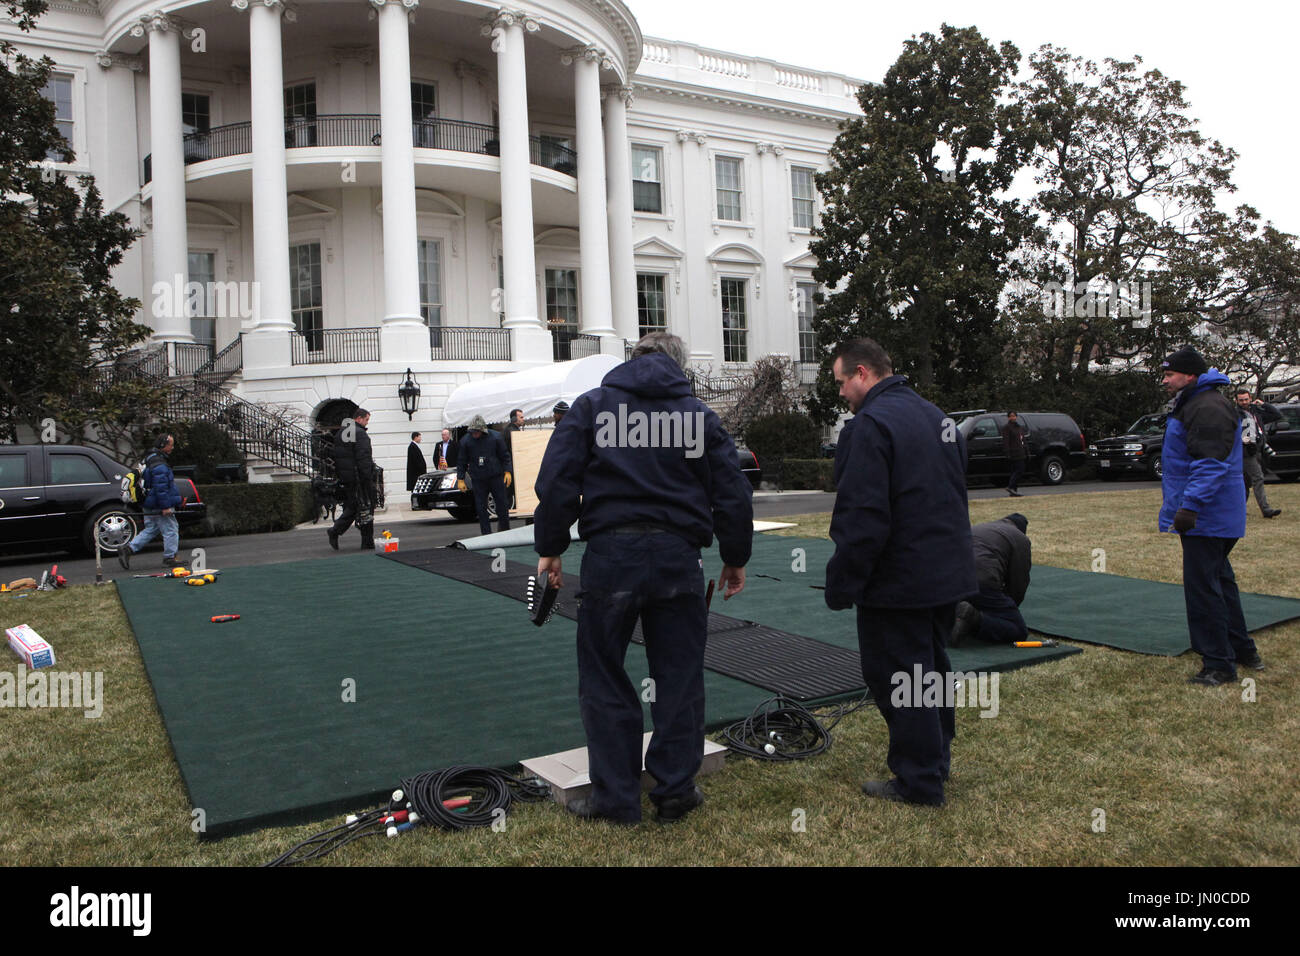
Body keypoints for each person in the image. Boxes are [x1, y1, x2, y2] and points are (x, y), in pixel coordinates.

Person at [534, 332, 753, 825]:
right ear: (678, 366)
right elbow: (733, 492)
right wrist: (735, 557)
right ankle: (675, 789)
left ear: (632, 361)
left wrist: (551, 547)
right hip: (679, 557)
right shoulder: (697, 416)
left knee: (604, 674)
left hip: (613, 554)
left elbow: (557, 481)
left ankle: (616, 800)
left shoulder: (593, 408)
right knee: (678, 675)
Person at [825, 338, 977, 807]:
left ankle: (918, 780)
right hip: (943, 573)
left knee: (899, 676)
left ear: (864, 373)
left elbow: (863, 515)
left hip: (898, 581)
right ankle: (935, 760)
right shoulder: (936, 417)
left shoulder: (870, 426)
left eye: (842, 382)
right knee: (929, 668)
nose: (842, 394)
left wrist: (843, 581)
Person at [1159, 347, 1263, 685]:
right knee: (1220, 582)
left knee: (1203, 588)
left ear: (1189, 375)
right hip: (1214, 512)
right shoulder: (1201, 402)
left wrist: (1190, 506)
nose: (1165, 379)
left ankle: (1219, 664)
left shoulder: (1205, 406)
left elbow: (1210, 463)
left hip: (1209, 514)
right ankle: (1242, 650)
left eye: (1170, 374)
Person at [951, 514, 1031, 646]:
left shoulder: (981, 527)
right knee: (1018, 630)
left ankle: (950, 617)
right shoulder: (1020, 538)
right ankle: (974, 619)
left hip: (948, 577)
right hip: (979, 579)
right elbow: (1018, 584)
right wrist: (1005, 609)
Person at [118, 434, 184, 569]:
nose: (172, 447)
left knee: (152, 528)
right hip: (158, 503)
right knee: (171, 528)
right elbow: (161, 487)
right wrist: (165, 506)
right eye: (171, 444)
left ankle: (128, 549)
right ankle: (170, 557)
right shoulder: (160, 464)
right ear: (163, 446)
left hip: (148, 501)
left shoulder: (149, 458)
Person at [328, 409, 375, 551]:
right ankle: (366, 541)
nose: (367, 423)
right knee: (366, 506)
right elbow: (363, 458)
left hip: (347, 478)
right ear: (359, 419)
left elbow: (338, 457)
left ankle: (339, 531)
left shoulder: (341, 433)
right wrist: (368, 477)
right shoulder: (360, 434)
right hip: (359, 478)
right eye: (366, 420)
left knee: (354, 506)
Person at [457, 415, 512, 536]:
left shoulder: (496, 437)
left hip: (496, 476)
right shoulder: (466, 441)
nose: (474, 435)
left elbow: (505, 456)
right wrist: (460, 478)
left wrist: (507, 471)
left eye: (477, 432)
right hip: (478, 479)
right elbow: (461, 461)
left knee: (502, 505)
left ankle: (505, 531)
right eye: (472, 432)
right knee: (481, 508)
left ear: (482, 431)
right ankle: (486, 534)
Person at [1235, 388, 1282, 518]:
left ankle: (1237, 510)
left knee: (1245, 482)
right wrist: (1241, 440)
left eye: (1246, 399)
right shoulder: (1235, 414)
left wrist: (1264, 404)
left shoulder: (1255, 412)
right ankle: (1266, 510)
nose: (1244, 402)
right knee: (1258, 478)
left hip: (1257, 450)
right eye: (1241, 400)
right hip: (1245, 452)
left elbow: (1277, 415)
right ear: (1236, 400)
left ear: (1250, 398)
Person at [1002, 411, 1027, 497]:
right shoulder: (1007, 428)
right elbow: (1006, 441)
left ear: (1016, 417)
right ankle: (1010, 486)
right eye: (1011, 416)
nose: (1013, 417)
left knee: (1017, 471)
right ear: (1008, 417)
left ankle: (1014, 491)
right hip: (1013, 453)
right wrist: (1007, 452)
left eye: (1014, 416)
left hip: (1021, 451)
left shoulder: (1019, 427)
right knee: (1018, 470)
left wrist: (1026, 451)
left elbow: (1023, 440)